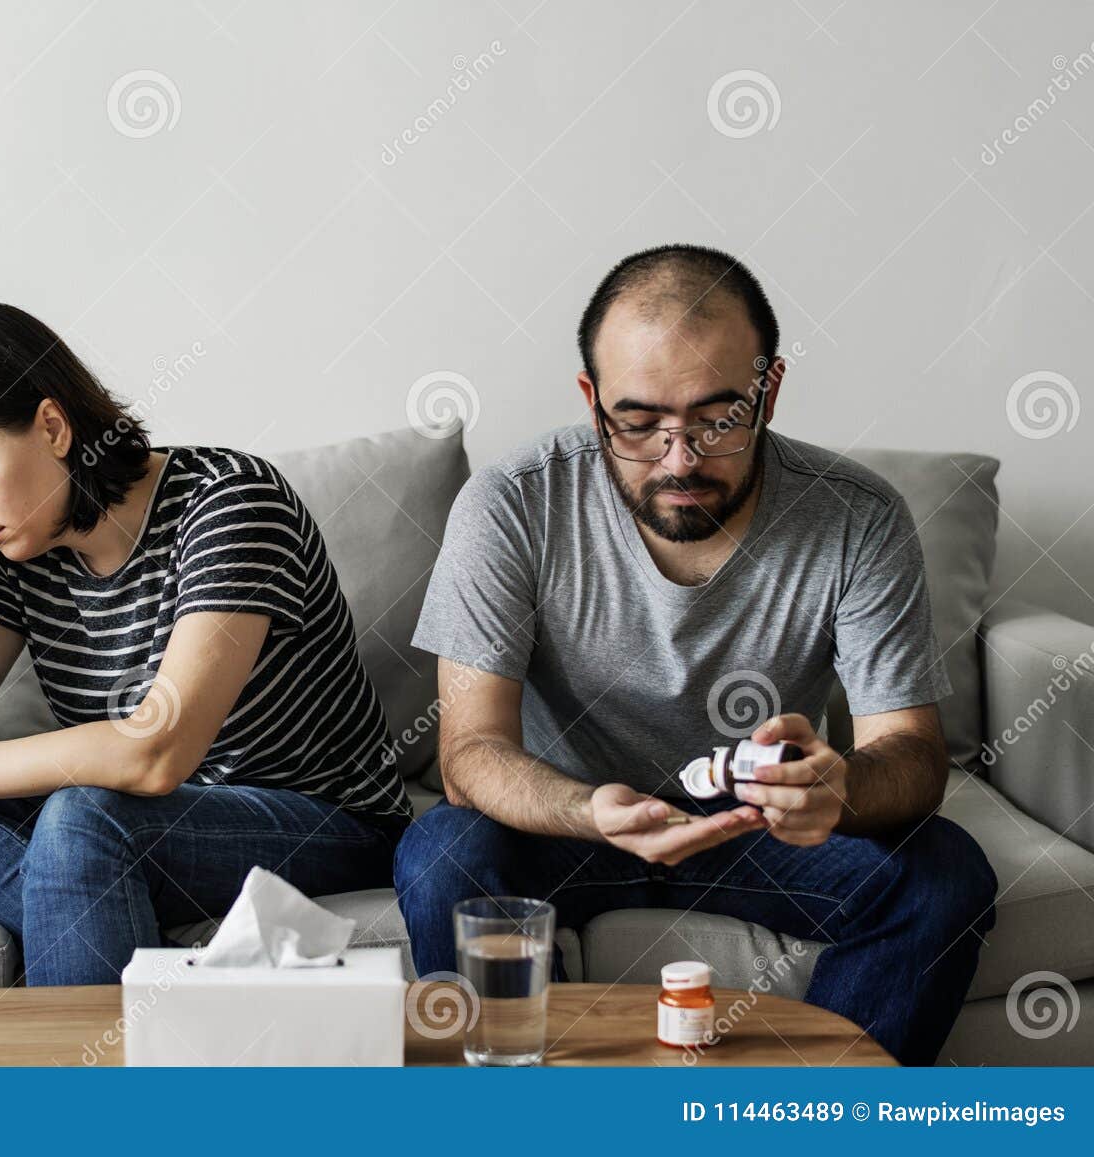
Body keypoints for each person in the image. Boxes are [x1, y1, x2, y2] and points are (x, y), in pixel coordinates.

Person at [392, 243, 998, 1066]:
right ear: (593, 402)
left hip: (756, 826)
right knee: (442, 854)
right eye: (639, 423)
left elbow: (914, 754)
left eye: (718, 419)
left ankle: (810, 1118)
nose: (679, 461)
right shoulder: (512, 504)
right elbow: (469, 754)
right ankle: (524, 1117)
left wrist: (839, 788)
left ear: (768, 391)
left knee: (944, 873)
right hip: (569, 820)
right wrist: (588, 809)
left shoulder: (859, 517)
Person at [0, 302, 410, 985]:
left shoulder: (230, 503)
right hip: (146, 829)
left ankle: (90, 942)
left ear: (52, 427)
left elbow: (155, 752)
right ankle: (101, 910)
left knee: (82, 820)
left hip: (324, 823)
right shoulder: (19, 547)